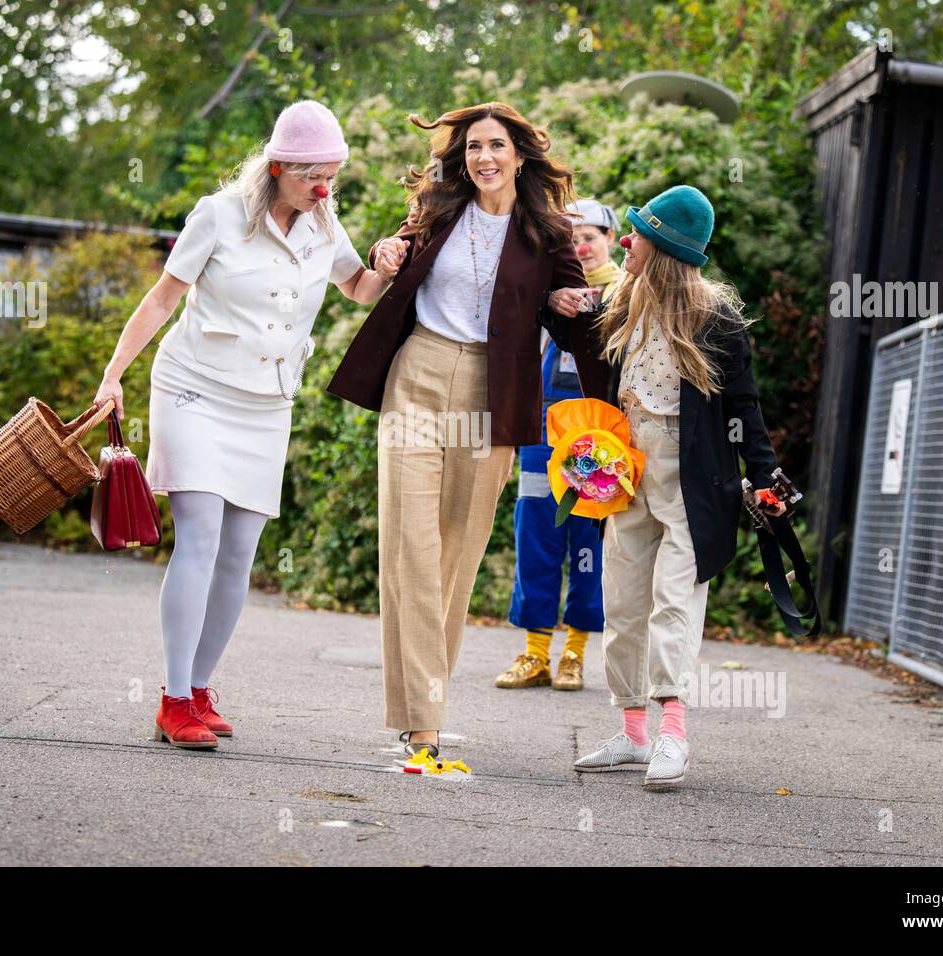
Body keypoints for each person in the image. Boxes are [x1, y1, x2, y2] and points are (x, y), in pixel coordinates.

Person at [93, 101, 401, 750]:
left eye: (332, 177)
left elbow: (360, 289)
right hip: (195, 390)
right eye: (313, 176)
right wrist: (113, 374)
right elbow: (162, 299)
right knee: (200, 537)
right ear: (279, 167)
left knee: (238, 554)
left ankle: (200, 685)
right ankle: (173, 699)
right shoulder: (220, 215)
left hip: (267, 403)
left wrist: (392, 263)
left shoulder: (324, 222)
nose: (324, 189)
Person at [326, 102, 597, 760]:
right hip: (418, 372)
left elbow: (568, 309)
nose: (483, 158)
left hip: (494, 390)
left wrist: (564, 304)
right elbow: (394, 256)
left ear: (520, 154)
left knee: (455, 555)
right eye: (473, 146)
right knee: (411, 546)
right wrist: (386, 250)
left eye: (496, 146)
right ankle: (424, 720)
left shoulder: (548, 231)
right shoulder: (438, 208)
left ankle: (425, 703)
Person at [541, 185, 788, 789]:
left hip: (694, 476)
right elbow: (559, 319)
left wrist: (766, 476)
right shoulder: (618, 302)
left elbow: (744, 408)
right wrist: (554, 298)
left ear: (665, 250)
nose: (624, 241)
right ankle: (632, 734)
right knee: (622, 601)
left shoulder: (715, 319)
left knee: (674, 601)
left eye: (637, 236)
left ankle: (673, 733)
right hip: (626, 469)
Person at [495, 199, 623, 692]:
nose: (581, 246)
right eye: (571, 238)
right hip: (540, 438)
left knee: (589, 546)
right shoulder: (546, 293)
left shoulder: (624, 295)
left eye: (589, 236)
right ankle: (534, 655)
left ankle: (574, 654)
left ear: (610, 239)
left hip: (599, 439)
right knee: (535, 539)